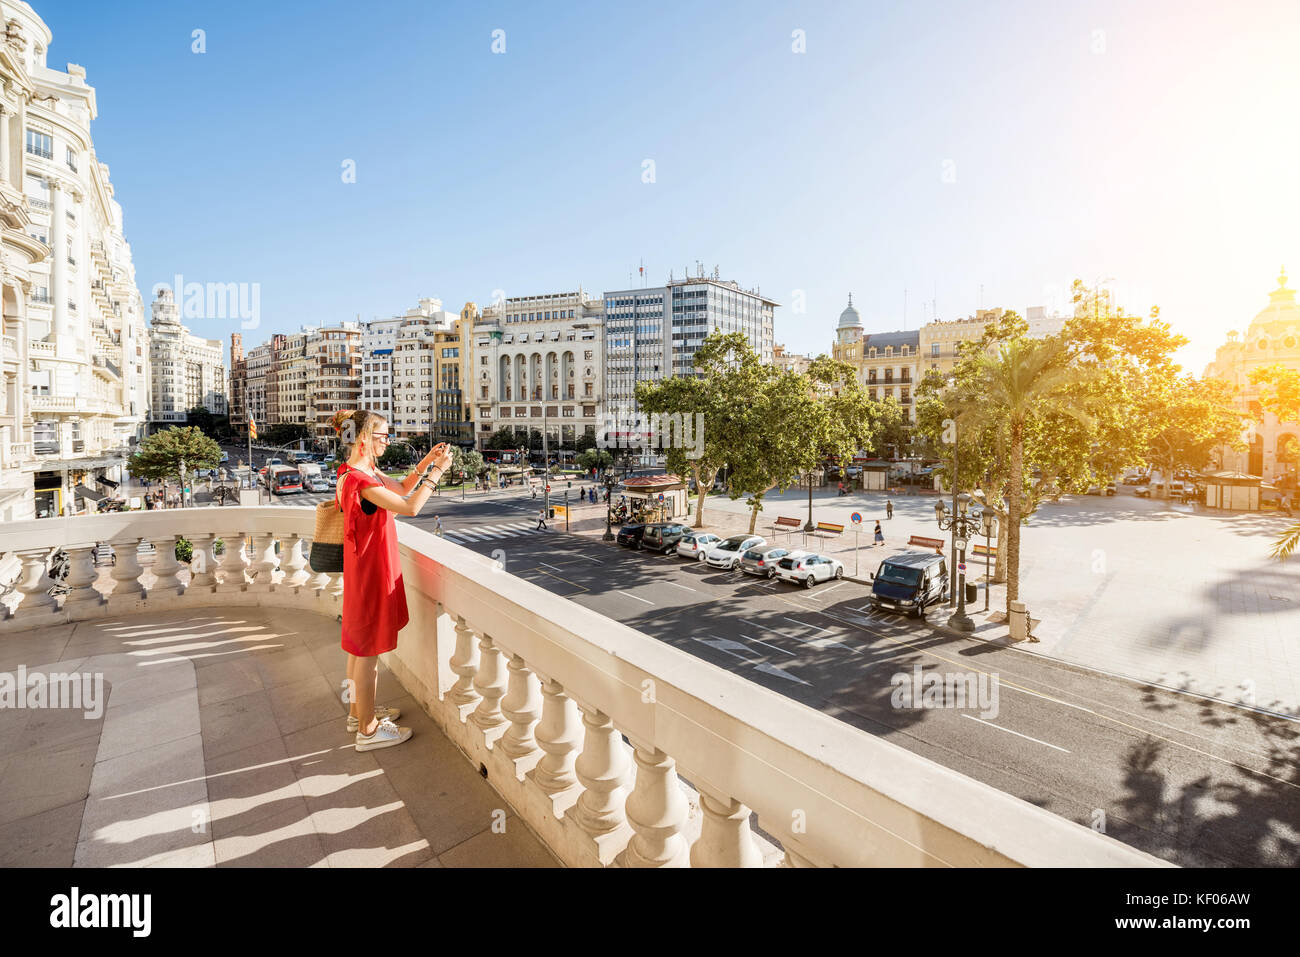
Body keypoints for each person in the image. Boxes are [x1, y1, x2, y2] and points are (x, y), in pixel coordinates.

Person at [332, 408, 452, 752]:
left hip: (362, 569)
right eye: (384, 436)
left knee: (358, 648)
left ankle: (359, 713)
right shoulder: (361, 480)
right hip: (370, 572)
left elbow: (400, 486)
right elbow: (411, 506)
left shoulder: (353, 471)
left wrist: (427, 461)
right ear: (365, 438)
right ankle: (368, 732)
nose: (388, 441)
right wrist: (439, 472)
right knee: (367, 652)